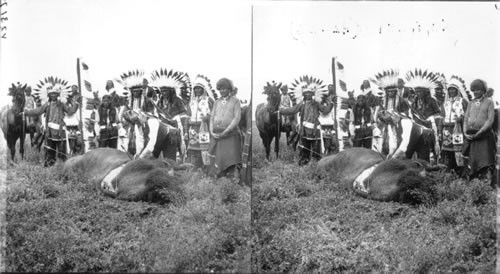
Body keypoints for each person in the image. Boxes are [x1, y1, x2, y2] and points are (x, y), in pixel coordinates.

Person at [25, 77, 80, 166]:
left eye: (55, 94)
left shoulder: (62, 104)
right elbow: (38, 111)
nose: (53, 95)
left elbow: (70, 111)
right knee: (50, 149)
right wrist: (26, 112)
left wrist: (76, 104)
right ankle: (49, 166)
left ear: (57, 95)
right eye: (51, 94)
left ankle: (63, 167)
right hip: (49, 132)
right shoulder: (47, 105)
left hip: (60, 132)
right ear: (49, 95)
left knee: (62, 150)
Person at [281, 76, 332, 166]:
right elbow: (292, 110)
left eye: (310, 93)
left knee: (316, 149)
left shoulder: (316, 104)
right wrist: (281, 110)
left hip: (315, 130)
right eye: (306, 93)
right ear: (304, 95)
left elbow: (325, 110)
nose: (308, 95)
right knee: (305, 148)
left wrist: (331, 104)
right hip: (304, 131)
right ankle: (304, 162)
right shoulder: (302, 104)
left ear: (312, 94)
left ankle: (317, 165)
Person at [149, 69, 190, 160]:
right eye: (162, 91)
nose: (164, 93)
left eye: (166, 91)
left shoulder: (177, 100)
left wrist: (175, 119)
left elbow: (184, 114)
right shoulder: (160, 101)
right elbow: (157, 114)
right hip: (162, 129)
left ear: (171, 91)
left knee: (172, 152)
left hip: (174, 130)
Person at [463, 79, 496, 186]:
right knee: (473, 162)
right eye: (474, 90)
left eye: (478, 90)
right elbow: (465, 119)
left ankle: (486, 186)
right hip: (472, 137)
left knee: (485, 162)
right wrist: (465, 133)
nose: (475, 92)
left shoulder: (489, 102)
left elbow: (490, 120)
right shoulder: (470, 103)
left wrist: (479, 133)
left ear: (483, 90)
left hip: (484, 137)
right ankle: (474, 186)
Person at [208, 78, 242, 179]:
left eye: (225, 89)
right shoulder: (216, 102)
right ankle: (217, 179)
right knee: (216, 159)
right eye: (220, 89)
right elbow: (212, 117)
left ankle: (232, 180)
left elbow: (237, 118)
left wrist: (227, 131)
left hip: (230, 135)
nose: (222, 91)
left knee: (230, 160)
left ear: (229, 89)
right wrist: (211, 131)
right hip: (217, 135)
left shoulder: (235, 101)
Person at [185, 75, 215, 169]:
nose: (197, 90)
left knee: (205, 149)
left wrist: (207, 117)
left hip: (204, 128)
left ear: (203, 89)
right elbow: (187, 116)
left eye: (199, 88)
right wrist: (186, 131)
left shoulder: (208, 100)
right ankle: (195, 169)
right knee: (193, 150)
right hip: (193, 129)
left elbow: (215, 114)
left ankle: (206, 169)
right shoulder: (191, 102)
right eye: (195, 88)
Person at [440, 76, 468, 174]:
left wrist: (461, 119)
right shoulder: (445, 103)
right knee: (447, 151)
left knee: (458, 151)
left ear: (457, 90)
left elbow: (468, 115)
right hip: (447, 130)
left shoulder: (462, 101)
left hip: (458, 129)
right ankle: (448, 171)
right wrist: (440, 130)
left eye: (453, 89)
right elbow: (442, 117)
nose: (451, 91)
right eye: (450, 89)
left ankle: (460, 172)